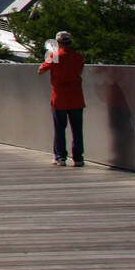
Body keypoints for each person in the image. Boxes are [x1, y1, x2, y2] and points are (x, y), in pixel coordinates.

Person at [38, 30, 85, 167]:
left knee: (59, 128)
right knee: (77, 130)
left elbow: (41, 70)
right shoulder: (78, 57)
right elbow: (79, 72)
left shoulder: (55, 56)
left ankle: (60, 157)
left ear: (58, 43)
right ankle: (78, 158)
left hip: (60, 98)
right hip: (76, 97)